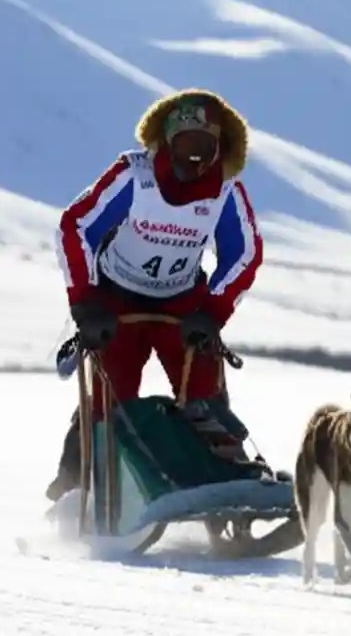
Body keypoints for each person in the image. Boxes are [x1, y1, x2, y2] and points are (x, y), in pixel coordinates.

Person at [45, 89, 264, 501]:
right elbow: (75, 228)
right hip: (115, 303)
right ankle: (76, 487)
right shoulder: (134, 177)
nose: (194, 156)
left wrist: (213, 313)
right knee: (110, 400)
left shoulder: (226, 192)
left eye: (204, 145)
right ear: (165, 142)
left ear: (219, 147)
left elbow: (245, 254)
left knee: (203, 395)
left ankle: (229, 478)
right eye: (185, 143)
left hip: (184, 307)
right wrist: (85, 302)